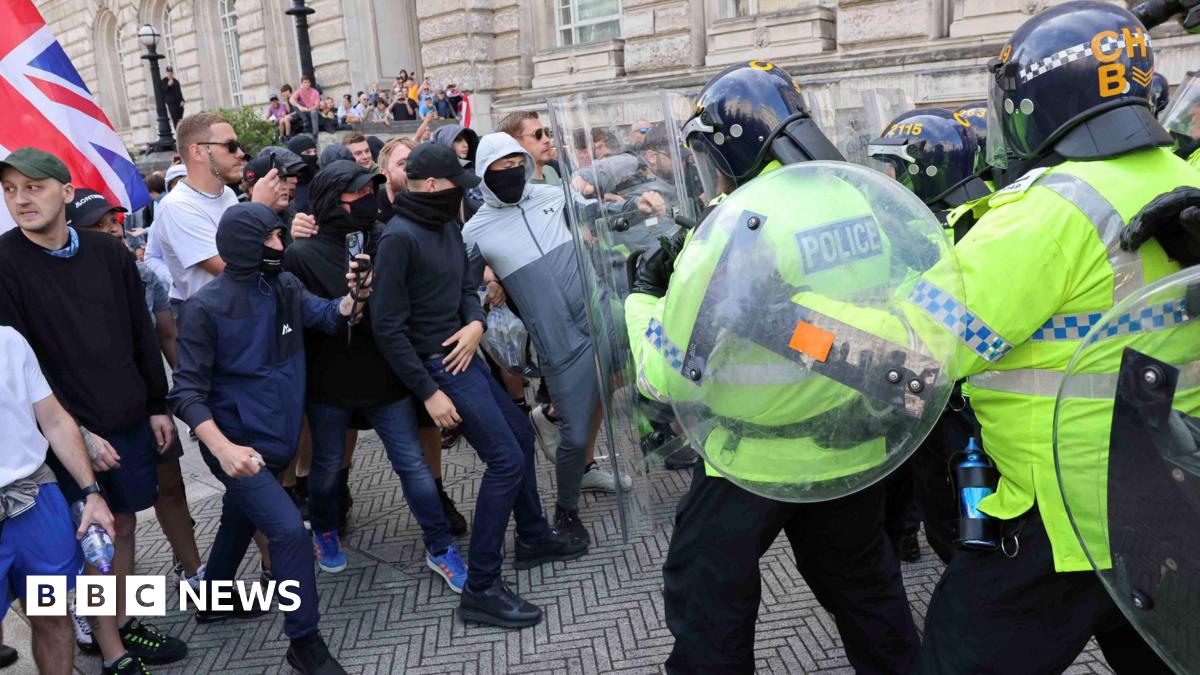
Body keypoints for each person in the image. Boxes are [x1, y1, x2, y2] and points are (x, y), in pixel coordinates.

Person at [624, 63, 921, 674]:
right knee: (869, 598)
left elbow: (673, 376)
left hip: (750, 458)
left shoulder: (739, 225)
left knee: (708, 605)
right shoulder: (855, 195)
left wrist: (645, 298)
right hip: (848, 446)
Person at [372, 142, 586, 628]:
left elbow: (466, 288)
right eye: (455, 185)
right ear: (428, 186)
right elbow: (386, 327)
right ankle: (482, 587)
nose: (462, 194)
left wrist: (476, 324)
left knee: (519, 433)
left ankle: (531, 536)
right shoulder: (398, 239)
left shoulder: (446, 222)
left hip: (465, 351)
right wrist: (429, 392)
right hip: (440, 365)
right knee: (505, 460)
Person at [0, 148, 188, 674]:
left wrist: (156, 403)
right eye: (10, 190)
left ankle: (119, 629)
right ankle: (97, 643)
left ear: (65, 190)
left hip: (126, 415)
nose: (20, 199)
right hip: (55, 435)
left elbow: (141, 332)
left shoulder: (109, 254)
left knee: (122, 526)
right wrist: (79, 432)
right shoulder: (4, 263)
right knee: (76, 542)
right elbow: (22, 367)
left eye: (33, 187)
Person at [170, 202, 366, 674]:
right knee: (288, 533)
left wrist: (351, 299)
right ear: (245, 247)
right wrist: (224, 449)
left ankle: (214, 598)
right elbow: (186, 393)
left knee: (239, 516)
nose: (282, 247)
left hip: (278, 440)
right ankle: (304, 643)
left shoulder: (285, 285)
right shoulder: (204, 309)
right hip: (237, 448)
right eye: (272, 241)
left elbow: (327, 316)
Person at [283, 159, 470, 587]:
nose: (367, 200)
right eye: (357, 193)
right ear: (332, 200)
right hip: (330, 383)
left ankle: (440, 547)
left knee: (413, 465)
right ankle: (326, 532)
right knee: (328, 467)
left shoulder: (386, 239)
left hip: (386, 375)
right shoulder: (302, 254)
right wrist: (349, 300)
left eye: (372, 192)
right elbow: (304, 317)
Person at [466, 132, 632, 544]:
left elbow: (597, 215)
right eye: (498, 168)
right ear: (483, 175)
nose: (509, 173)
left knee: (649, 374)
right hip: (558, 341)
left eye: (514, 163)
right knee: (575, 434)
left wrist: (634, 208)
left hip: (601, 314)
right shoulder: (476, 230)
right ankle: (567, 508)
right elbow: (461, 285)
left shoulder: (551, 196)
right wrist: (487, 282)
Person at [866, 108, 993, 564]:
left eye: (897, 169)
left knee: (954, 517)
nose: (891, 181)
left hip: (955, 401)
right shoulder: (933, 221)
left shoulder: (969, 228)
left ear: (925, 168)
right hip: (925, 393)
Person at [0, 325, 116, 675]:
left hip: (35, 499)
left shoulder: (9, 339)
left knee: (50, 614)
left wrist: (91, 492)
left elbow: (53, 421)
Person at [498, 112, 560, 185]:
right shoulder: (515, 187)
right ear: (514, 142)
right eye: (538, 134)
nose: (547, 140)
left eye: (546, 133)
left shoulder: (550, 171)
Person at [288, 135, 319, 214]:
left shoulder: (321, 177)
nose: (313, 155)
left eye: (315, 151)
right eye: (308, 152)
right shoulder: (287, 182)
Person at [162, 66, 184, 130]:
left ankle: (181, 132)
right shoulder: (164, 81)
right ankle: (177, 133)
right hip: (171, 103)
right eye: (168, 72)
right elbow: (163, 91)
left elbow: (179, 92)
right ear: (166, 73)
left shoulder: (176, 81)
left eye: (171, 72)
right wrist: (168, 85)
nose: (170, 74)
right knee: (175, 119)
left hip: (179, 103)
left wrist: (182, 100)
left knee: (180, 120)